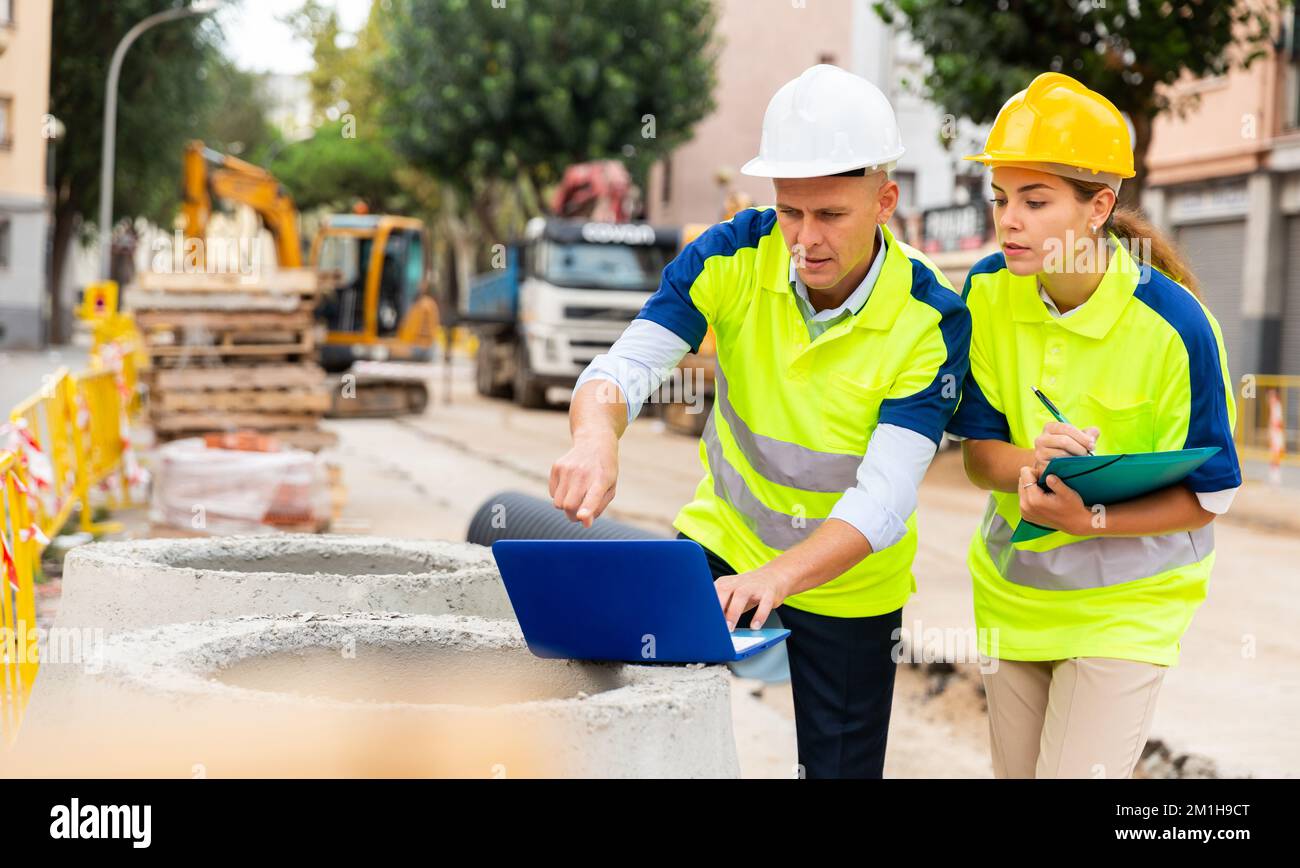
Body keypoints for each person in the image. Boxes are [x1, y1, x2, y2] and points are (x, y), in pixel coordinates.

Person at [549, 64, 971, 779]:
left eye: (830, 214)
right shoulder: (730, 253)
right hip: (726, 542)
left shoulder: (931, 319)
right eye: (790, 212)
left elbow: (885, 500)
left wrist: (780, 578)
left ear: (885, 201)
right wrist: (596, 436)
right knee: (649, 718)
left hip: (849, 581)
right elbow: (621, 371)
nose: (804, 239)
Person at [946, 72, 1243, 779]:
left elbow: (1212, 497)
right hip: (1017, 598)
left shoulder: (1176, 327)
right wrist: (1032, 464)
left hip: (1128, 610)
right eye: (1000, 199)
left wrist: (1093, 519)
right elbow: (978, 453)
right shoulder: (987, 291)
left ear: (1097, 206)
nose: (1007, 220)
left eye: (1035, 200)